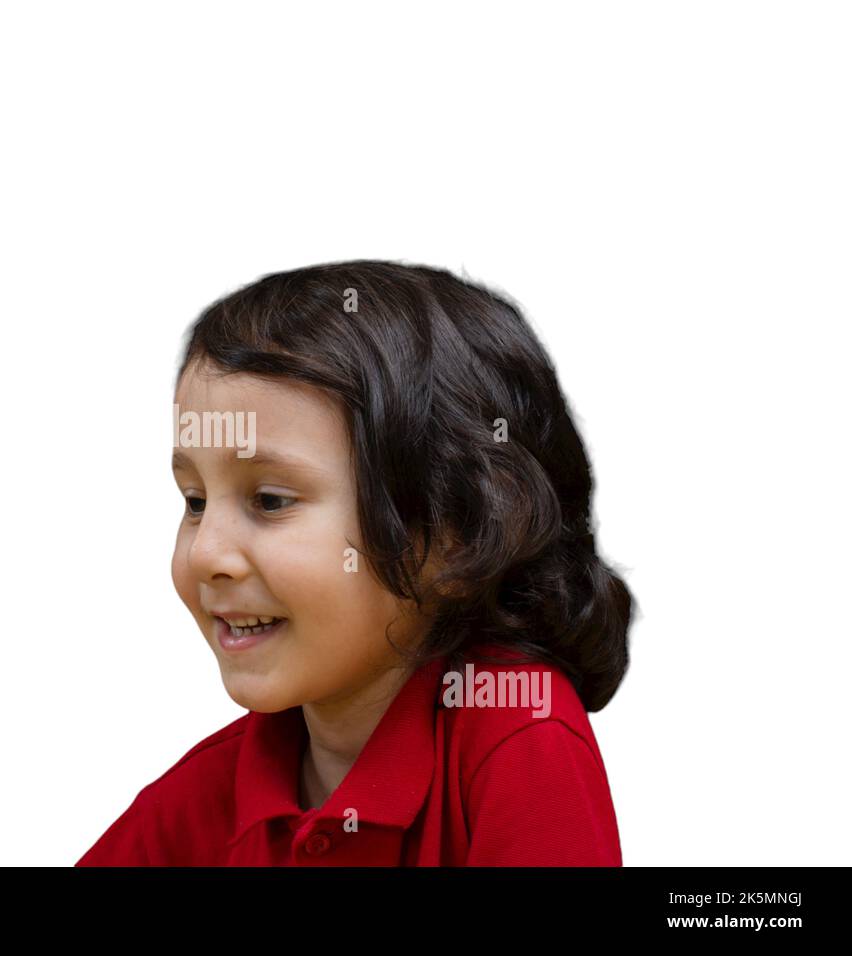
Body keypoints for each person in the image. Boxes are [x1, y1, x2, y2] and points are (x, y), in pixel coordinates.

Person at [77, 260, 633, 866]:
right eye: (195, 502)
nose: (206, 551)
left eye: (269, 501)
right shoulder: (201, 799)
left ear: (452, 534)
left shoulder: (519, 733)